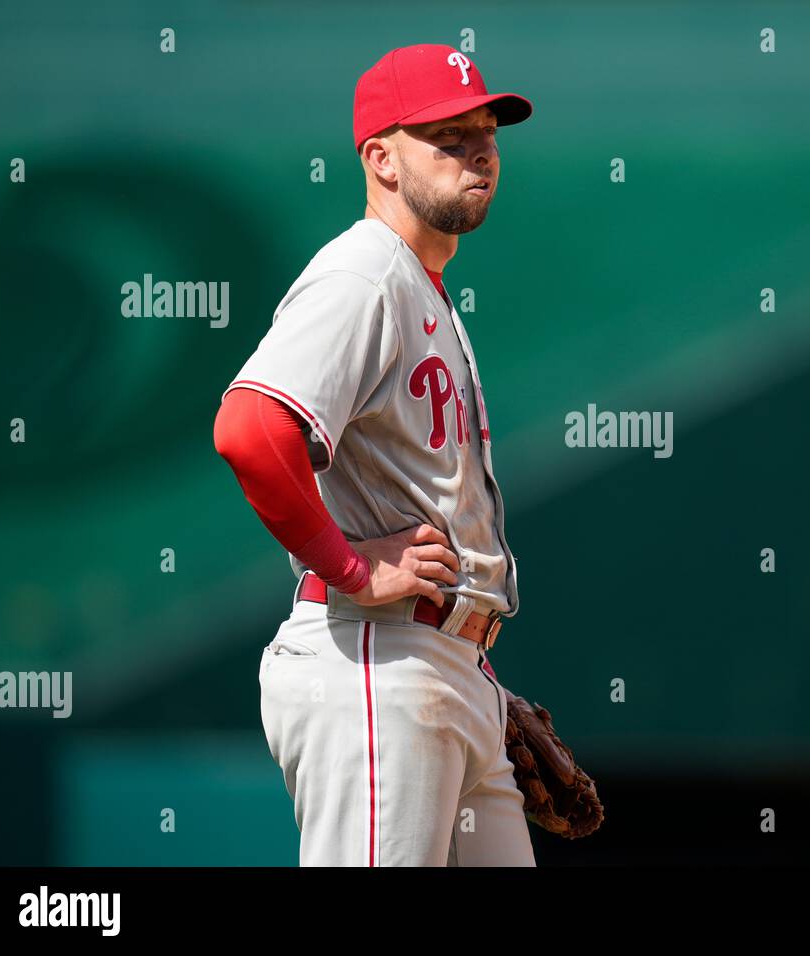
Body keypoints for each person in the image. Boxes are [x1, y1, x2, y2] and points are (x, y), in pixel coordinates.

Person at [213, 43, 535, 866]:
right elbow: (249, 430)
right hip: (376, 655)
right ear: (381, 159)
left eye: (485, 130)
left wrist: (471, 662)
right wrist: (353, 570)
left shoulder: (422, 288)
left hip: (444, 665)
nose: (478, 148)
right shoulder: (363, 273)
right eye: (448, 135)